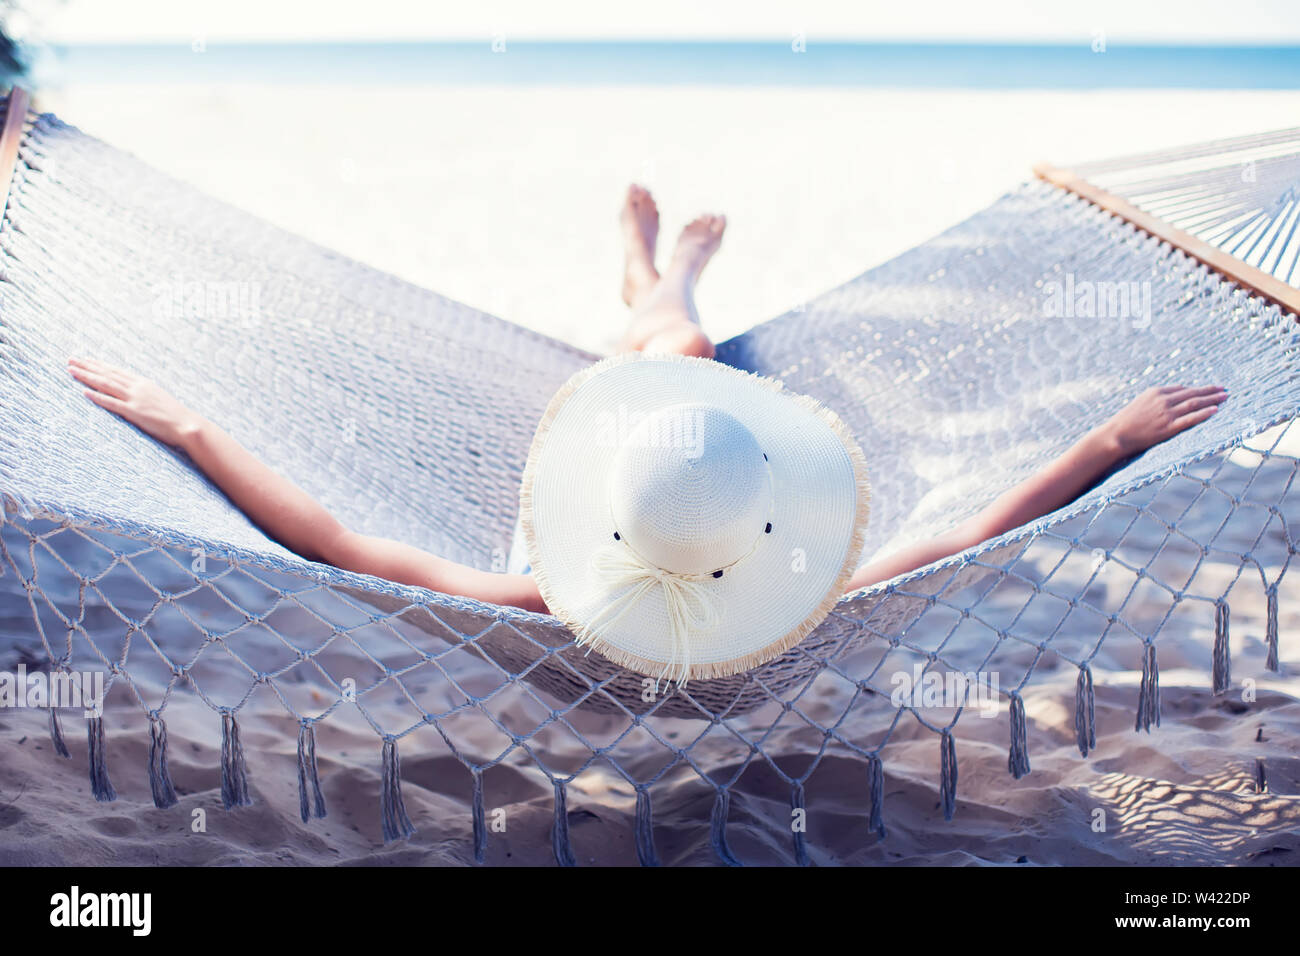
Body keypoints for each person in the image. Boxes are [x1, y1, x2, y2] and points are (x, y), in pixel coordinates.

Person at [67, 185, 1226, 677]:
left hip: (624, 486)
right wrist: (1109, 443)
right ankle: (663, 277)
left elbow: (335, 543)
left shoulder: (550, 602)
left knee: (668, 362)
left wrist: (195, 424)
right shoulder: (811, 602)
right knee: (677, 361)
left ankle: (658, 278)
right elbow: (978, 524)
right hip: (669, 486)